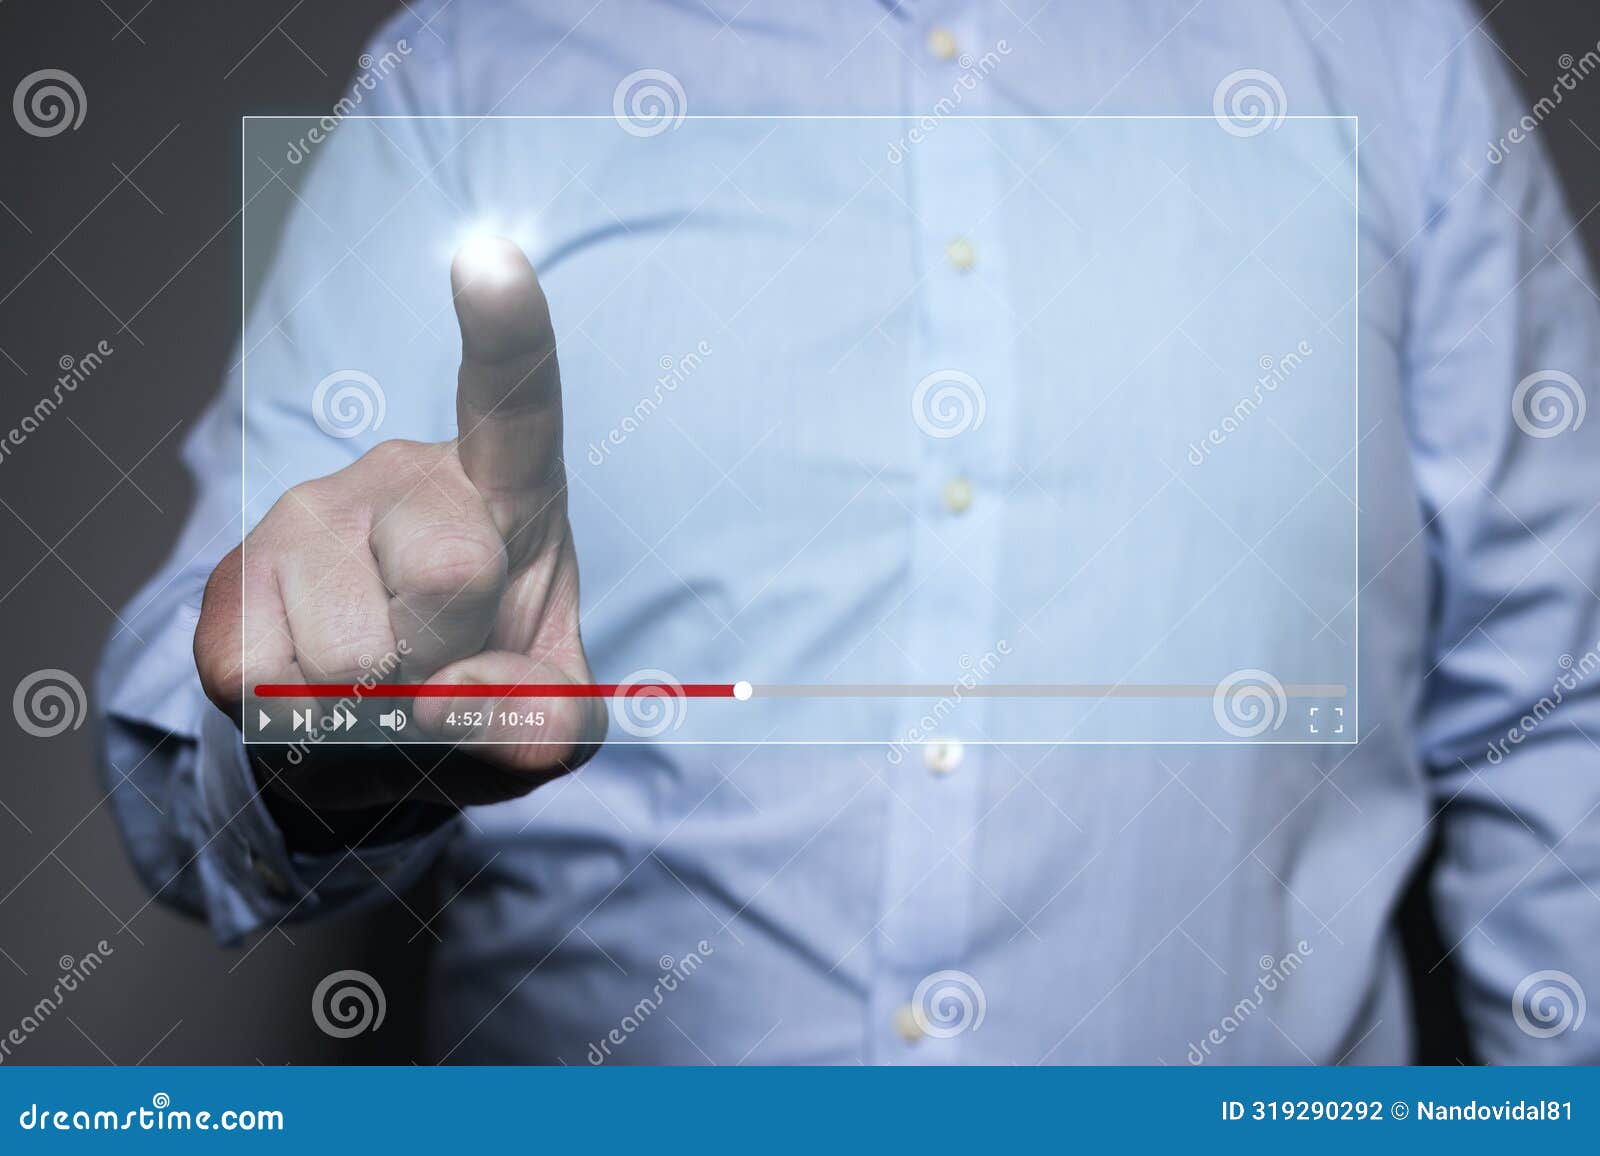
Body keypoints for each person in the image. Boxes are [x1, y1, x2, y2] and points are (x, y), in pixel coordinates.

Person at [99, 0, 1600, 1064]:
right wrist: (329, 732)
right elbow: (188, 727)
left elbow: (1565, 699)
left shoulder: (1391, 57)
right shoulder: (479, 62)